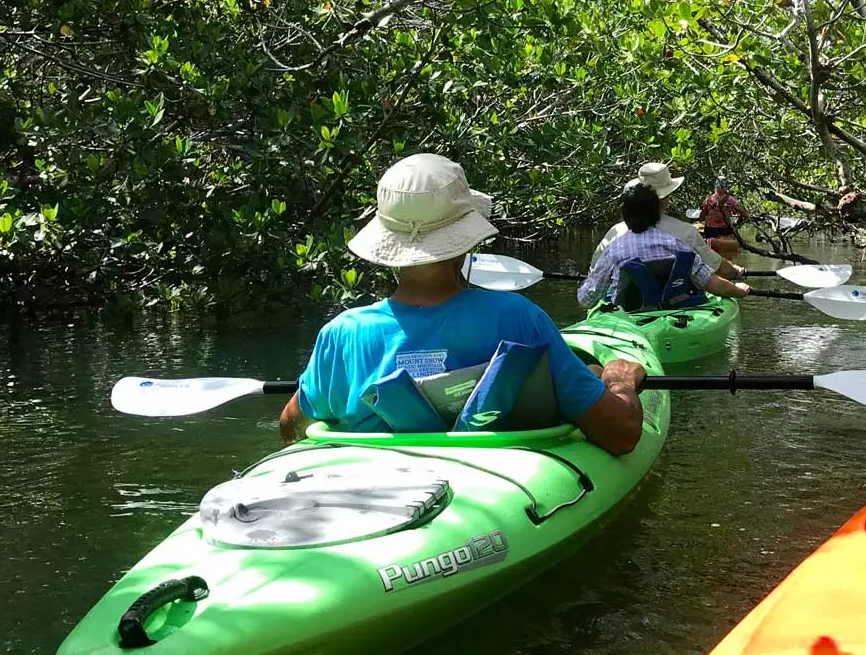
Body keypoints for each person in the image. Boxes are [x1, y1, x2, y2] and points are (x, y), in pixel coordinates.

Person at [279, 153, 647, 455]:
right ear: (465, 243)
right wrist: (620, 381)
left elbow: (291, 425)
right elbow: (622, 434)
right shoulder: (519, 318)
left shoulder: (342, 333)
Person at [577, 182, 751, 307]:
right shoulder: (676, 244)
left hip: (628, 316)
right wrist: (739, 290)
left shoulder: (614, 249)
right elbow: (711, 283)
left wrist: (586, 287)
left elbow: (587, 299)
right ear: (656, 213)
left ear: (624, 214)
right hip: (672, 312)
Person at [589, 162, 746, 282]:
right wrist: (735, 271)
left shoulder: (614, 233)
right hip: (674, 305)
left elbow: (594, 272)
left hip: (624, 305)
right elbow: (717, 267)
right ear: (665, 199)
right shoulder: (685, 233)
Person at [699, 176, 745, 259]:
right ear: (726, 187)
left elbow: (702, 217)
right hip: (726, 229)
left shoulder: (709, 199)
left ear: (715, 187)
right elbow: (744, 213)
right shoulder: (731, 200)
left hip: (711, 230)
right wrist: (738, 222)